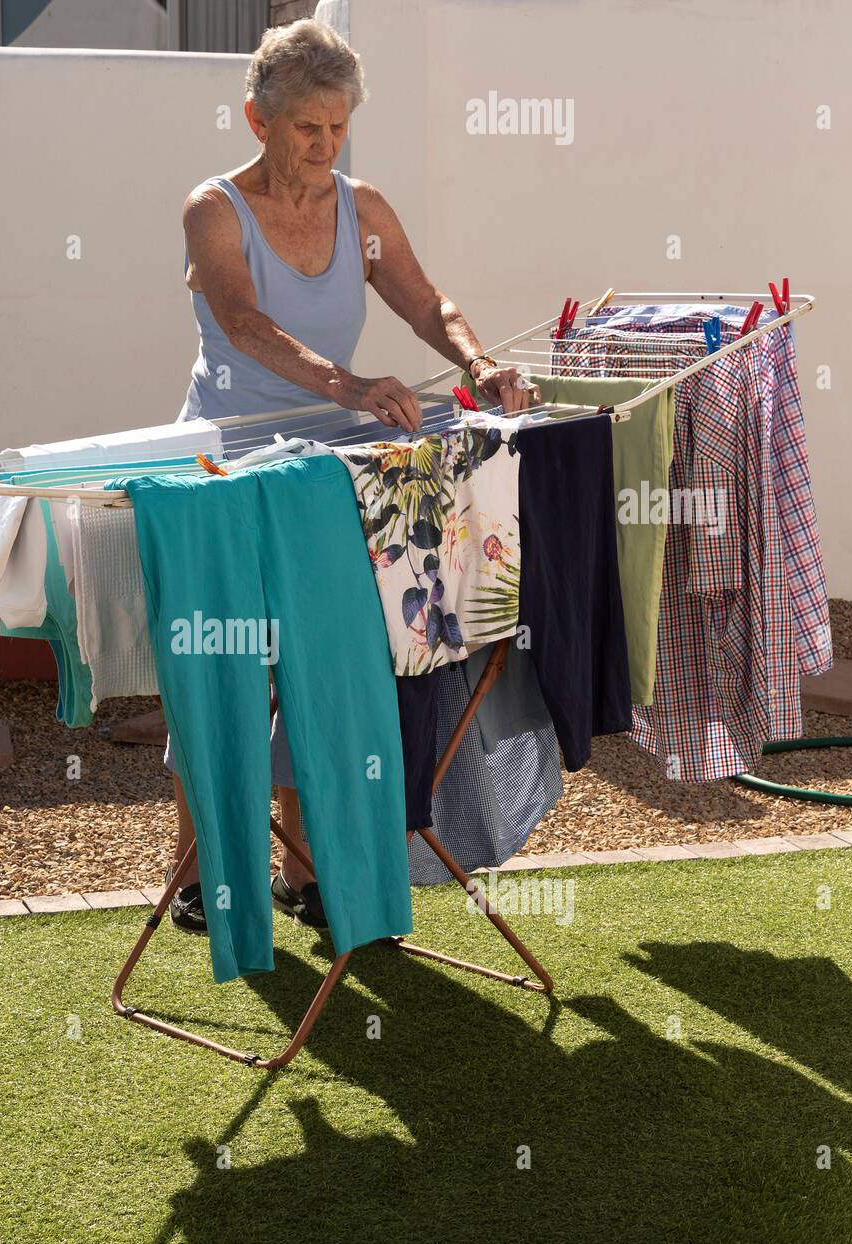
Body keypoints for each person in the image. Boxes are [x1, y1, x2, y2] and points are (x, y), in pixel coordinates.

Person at [165, 17, 536, 936]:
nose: (326, 147)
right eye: (307, 129)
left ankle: (303, 870)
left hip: (331, 459)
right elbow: (245, 322)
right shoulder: (214, 211)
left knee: (317, 661)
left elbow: (425, 301)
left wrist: (476, 361)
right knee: (227, 662)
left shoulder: (361, 209)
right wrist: (350, 385)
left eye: (338, 128)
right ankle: (196, 871)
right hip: (229, 460)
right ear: (258, 119)